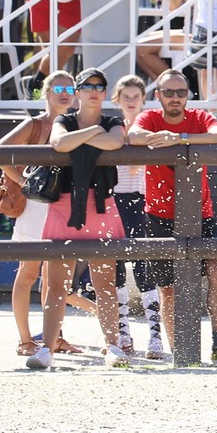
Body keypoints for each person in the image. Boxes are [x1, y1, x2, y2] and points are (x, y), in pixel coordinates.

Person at [127, 68, 217, 366]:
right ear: (158, 95)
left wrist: (179, 138)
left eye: (180, 92)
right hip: (159, 214)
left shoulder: (198, 118)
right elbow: (133, 135)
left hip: (201, 212)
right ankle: (181, 354)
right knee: (168, 289)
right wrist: (162, 136)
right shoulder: (150, 118)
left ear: (188, 95)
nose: (175, 98)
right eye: (168, 92)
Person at [44, 68, 128, 366]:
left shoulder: (114, 121)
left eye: (100, 86)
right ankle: (47, 347)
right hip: (65, 204)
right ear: (77, 92)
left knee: (104, 283)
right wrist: (94, 133)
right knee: (56, 284)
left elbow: (115, 143)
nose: (94, 90)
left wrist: (85, 137)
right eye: (87, 86)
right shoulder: (63, 119)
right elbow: (59, 143)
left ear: (105, 93)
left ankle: (113, 345)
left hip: (101, 203)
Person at [0, 73, 73, 362]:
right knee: (28, 272)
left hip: (63, 205)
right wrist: (25, 183)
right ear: (46, 92)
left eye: (69, 88)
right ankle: (25, 339)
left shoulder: (74, 124)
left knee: (57, 278)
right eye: (58, 88)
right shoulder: (35, 124)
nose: (64, 93)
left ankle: (53, 336)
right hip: (35, 206)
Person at [109, 74, 166, 359]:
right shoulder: (111, 127)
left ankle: (155, 335)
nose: (131, 102)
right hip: (117, 199)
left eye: (135, 97)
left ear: (144, 99)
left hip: (145, 199)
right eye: (125, 97)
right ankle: (123, 332)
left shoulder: (151, 125)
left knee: (145, 267)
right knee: (118, 266)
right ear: (117, 100)